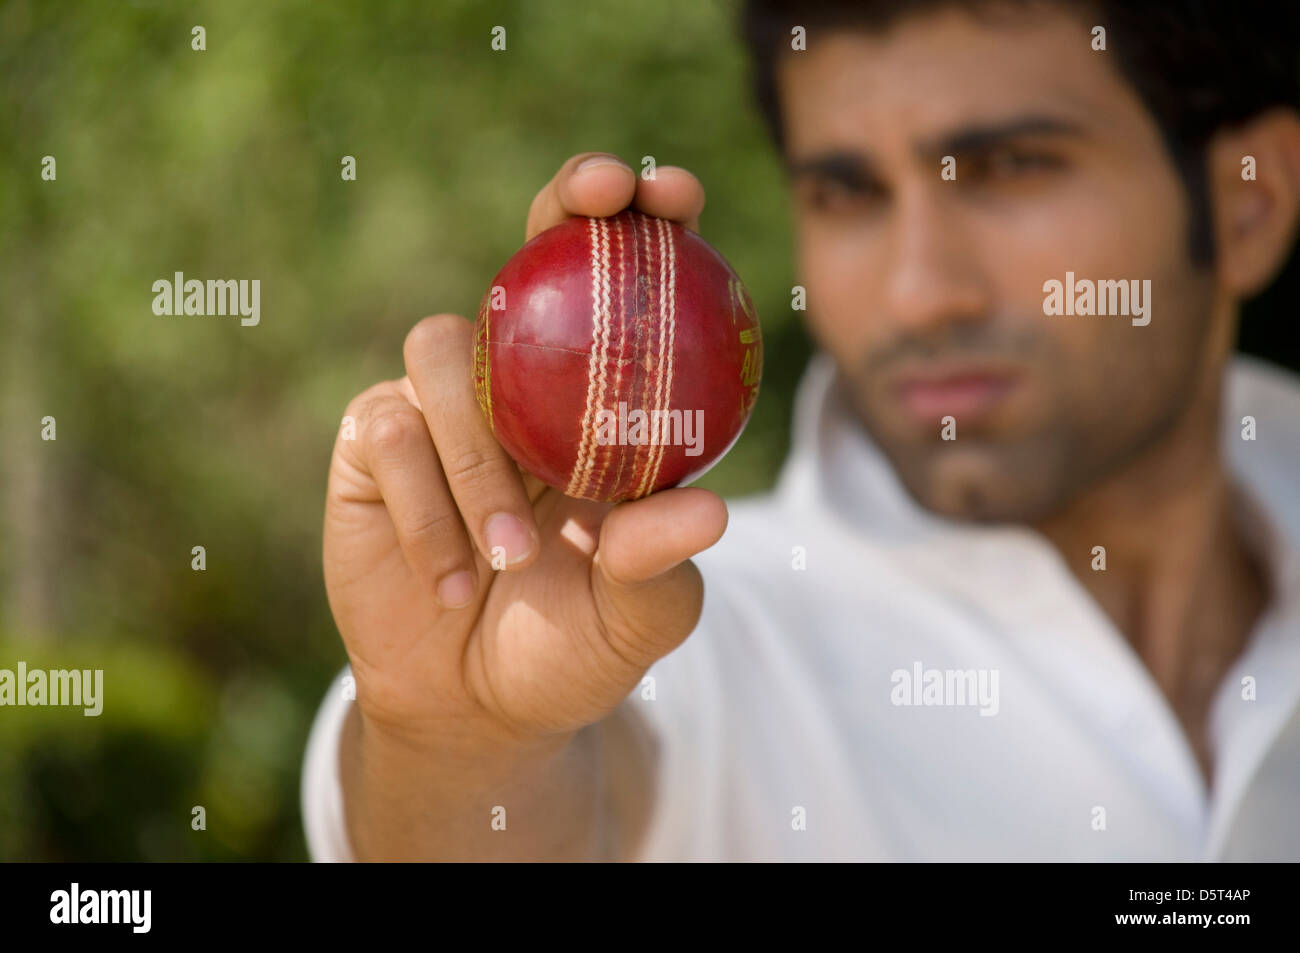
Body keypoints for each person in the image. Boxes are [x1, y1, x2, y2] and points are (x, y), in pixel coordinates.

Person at [301, 0, 1300, 860]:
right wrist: (456, 740)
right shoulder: (694, 626)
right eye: (846, 193)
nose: (917, 294)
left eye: (1009, 168)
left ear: (1248, 198)